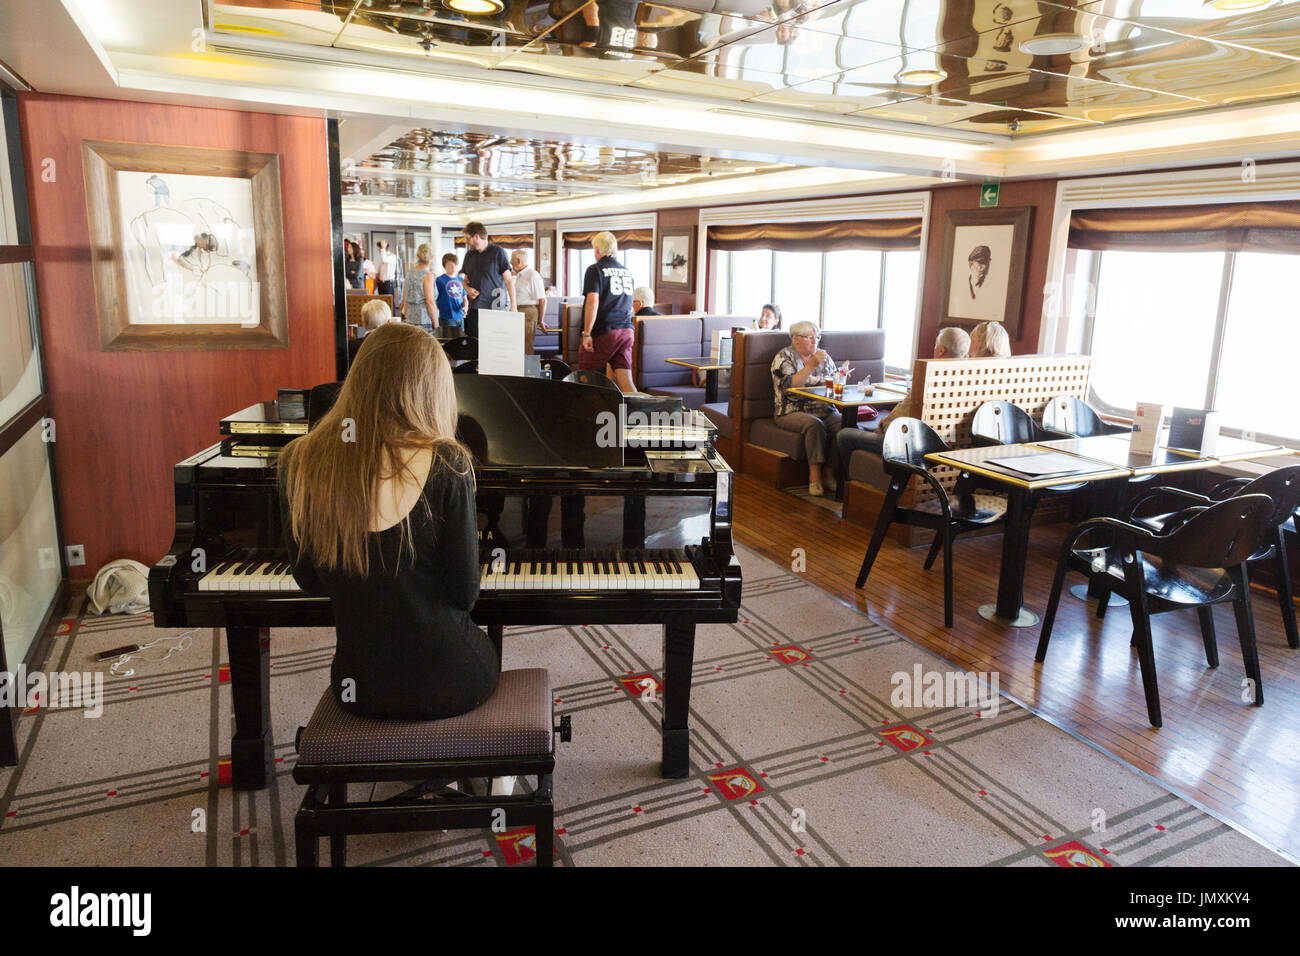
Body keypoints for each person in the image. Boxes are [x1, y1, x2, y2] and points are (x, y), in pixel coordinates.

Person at [279, 322, 499, 722]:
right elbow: (465, 594)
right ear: (431, 389)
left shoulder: (299, 460)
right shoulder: (448, 462)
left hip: (359, 688)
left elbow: (310, 579)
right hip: (452, 683)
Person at [834, 326, 970, 492]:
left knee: (844, 435)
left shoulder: (929, 377)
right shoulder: (968, 380)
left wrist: (883, 425)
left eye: (935, 345)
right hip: (947, 449)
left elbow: (901, 414)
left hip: (909, 446)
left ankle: (850, 489)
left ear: (941, 351)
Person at [771, 321, 841, 497]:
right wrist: (811, 366)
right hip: (790, 411)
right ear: (796, 339)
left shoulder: (824, 357)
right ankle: (814, 476)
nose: (815, 341)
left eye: (817, 337)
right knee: (814, 425)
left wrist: (842, 376)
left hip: (824, 408)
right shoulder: (784, 357)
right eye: (810, 337)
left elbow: (834, 380)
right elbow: (789, 387)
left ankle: (829, 471)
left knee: (843, 424)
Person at [579, 230, 637, 392]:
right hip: (626, 331)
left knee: (585, 378)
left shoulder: (595, 270)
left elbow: (593, 301)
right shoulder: (627, 272)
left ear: (597, 250)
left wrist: (587, 333)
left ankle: (589, 408)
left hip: (605, 331)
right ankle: (639, 407)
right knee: (626, 380)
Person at [460, 222, 515, 340]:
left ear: (476, 236)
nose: (466, 241)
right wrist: (468, 289)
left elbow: (509, 280)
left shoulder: (498, 252)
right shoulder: (469, 255)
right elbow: (464, 281)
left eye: (468, 238)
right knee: (475, 344)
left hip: (496, 307)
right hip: (474, 308)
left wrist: (514, 306)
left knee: (494, 343)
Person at [511, 250, 547, 354]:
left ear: (518, 261)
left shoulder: (533, 275)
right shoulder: (519, 275)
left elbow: (543, 300)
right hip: (519, 312)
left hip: (528, 312)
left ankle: (529, 365)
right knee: (518, 346)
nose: (511, 263)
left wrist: (540, 320)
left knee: (526, 346)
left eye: (512, 261)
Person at [402, 243, 436, 332]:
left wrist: (405, 317)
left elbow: (405, 299)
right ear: (432, 258)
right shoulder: (428, 275)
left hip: (409, 319)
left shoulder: (409, 273)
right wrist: (436, 325)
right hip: (423, 320)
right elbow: (430, 302)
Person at [436, 253, 466, 334]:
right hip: (447, 318)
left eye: (455, 265)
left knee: (461, 339)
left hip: (460, 317)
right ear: (444, 266)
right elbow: (434, 299)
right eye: (449, 265)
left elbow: (465, 298)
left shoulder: (460, 279)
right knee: (450, 340)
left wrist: (465, 307)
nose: (453, 267)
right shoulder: (439, 280)